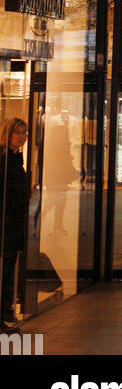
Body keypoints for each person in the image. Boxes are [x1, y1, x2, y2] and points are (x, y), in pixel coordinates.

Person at [0, 118, 29, 329]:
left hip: (14, 223)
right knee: (5, 271)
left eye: (24, 133)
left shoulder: (16, 158)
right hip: (6, 224)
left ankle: (6, 313)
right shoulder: (5, 159)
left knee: (9, 270)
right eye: (17, 132)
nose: (21, 136)